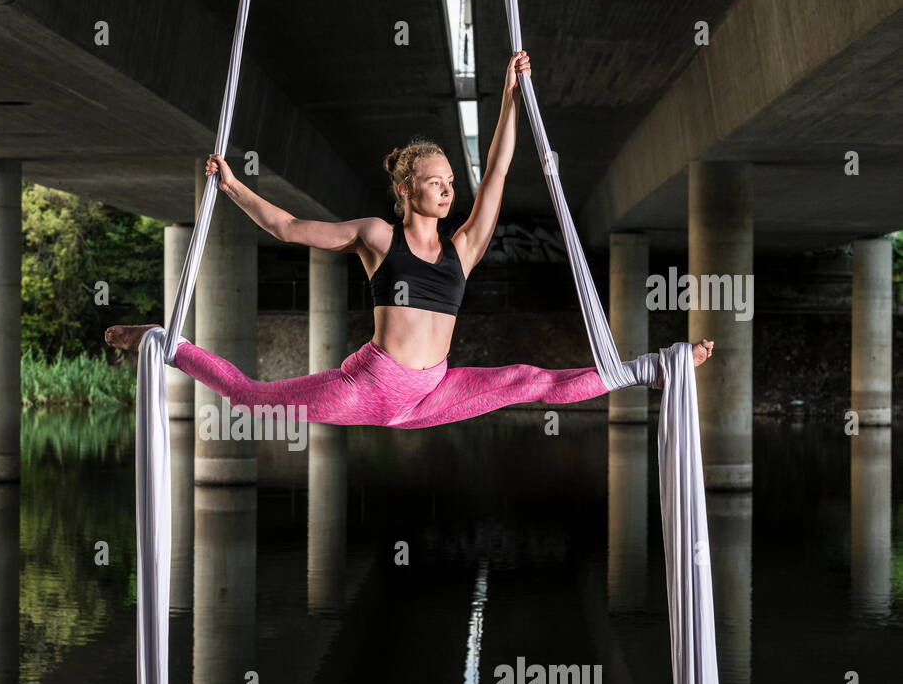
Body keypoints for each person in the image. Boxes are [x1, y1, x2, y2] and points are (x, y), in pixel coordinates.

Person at [106, 50, 713, 428]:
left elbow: (497, 172)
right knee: (252, 402)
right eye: (435, 182)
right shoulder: (375, 235)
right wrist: (233, 187)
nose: (448, 192)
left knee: (536, 382)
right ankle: (165, 344)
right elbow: (288, 228)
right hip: (367, 387)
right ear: (406, 189)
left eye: (450, 182)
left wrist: (508, 100)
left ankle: (654, 367)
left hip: (434, 393)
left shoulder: (464, 248)